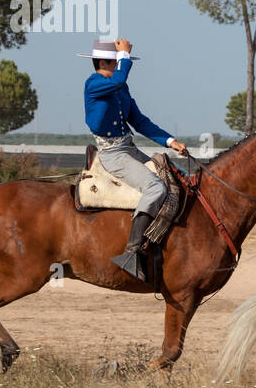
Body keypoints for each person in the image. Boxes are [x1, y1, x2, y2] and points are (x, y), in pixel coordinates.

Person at [79, 38, 188, 281]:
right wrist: (124, 56)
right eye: (116, 60)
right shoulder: (94, 83)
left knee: (178, 178)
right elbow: (119, 79)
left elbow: (140, 122)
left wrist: (170, 142)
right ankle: (132, 251)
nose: (120, 65)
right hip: (113, 155)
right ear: (105, 61)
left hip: (129, 148)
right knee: (154, 187)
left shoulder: (120, 88)